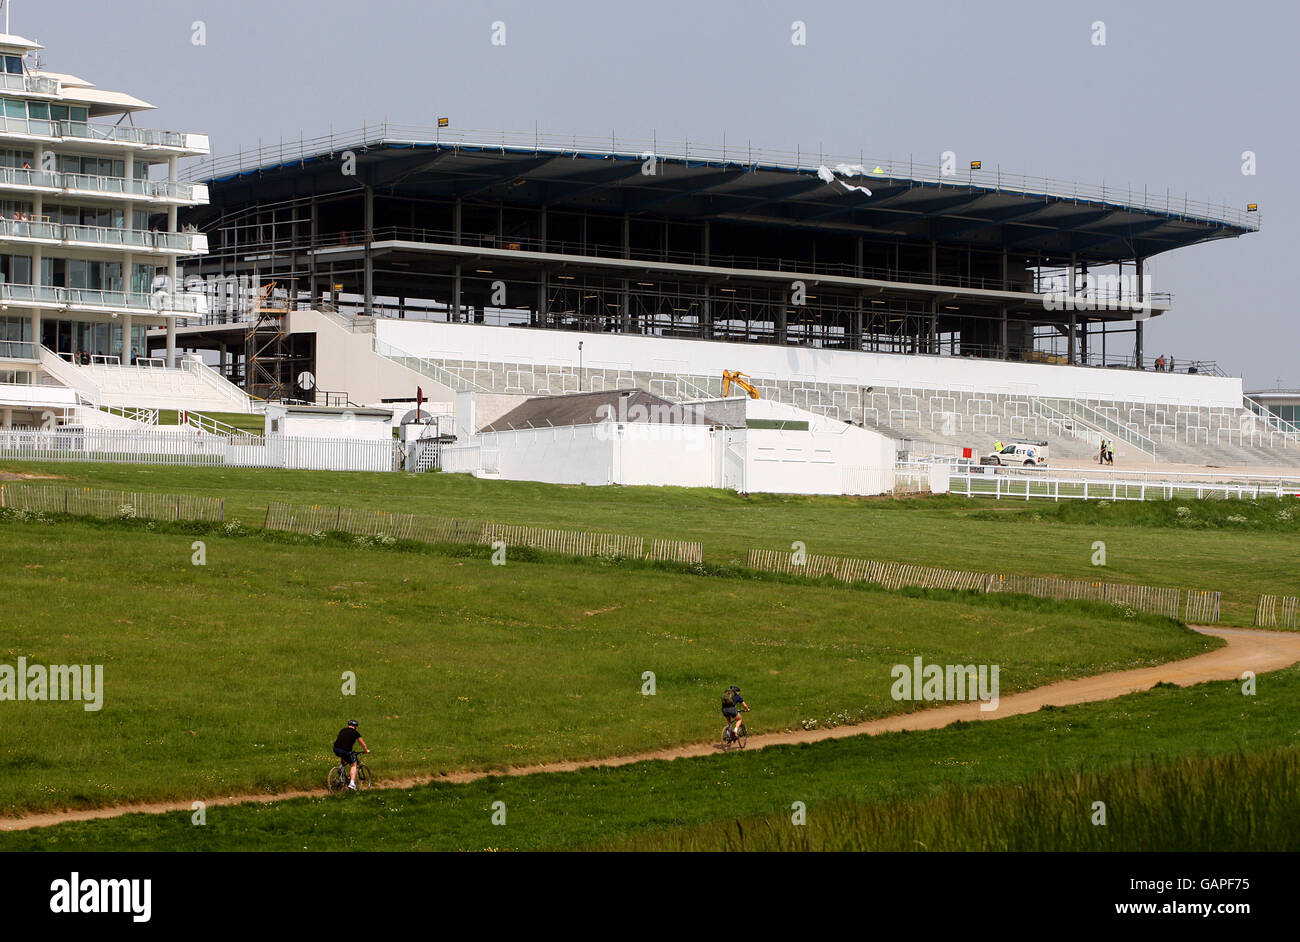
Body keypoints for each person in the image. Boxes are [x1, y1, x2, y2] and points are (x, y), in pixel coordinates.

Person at [332, 719, 369, 791]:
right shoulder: (355, 733)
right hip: (345, 751)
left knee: (345, 758)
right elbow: (362, 744)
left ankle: (341, 770)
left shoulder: (343, 730)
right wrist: (366, 751)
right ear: (355, 726)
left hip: (336, 749)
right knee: (353, 765)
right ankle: (352, 783)